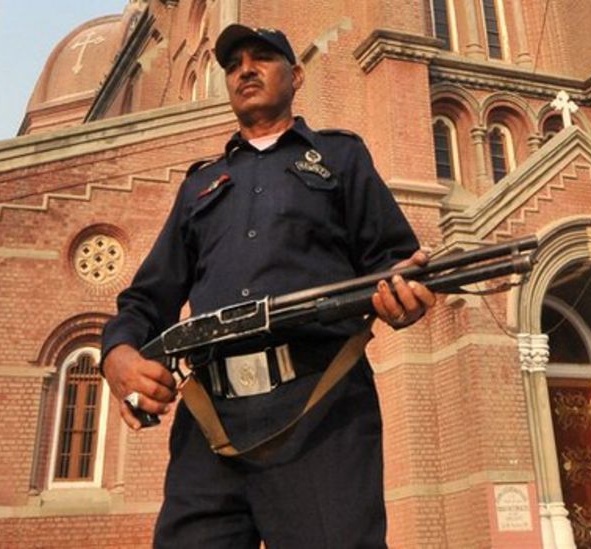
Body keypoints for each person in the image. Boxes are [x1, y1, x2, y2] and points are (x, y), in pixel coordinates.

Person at [100, 24, 436, 548]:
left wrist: (404, 297)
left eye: (262, 59)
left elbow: (392, 259)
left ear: (296, 75)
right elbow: (147, 299)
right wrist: (117, 356)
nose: (245, 70)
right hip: (210, 425)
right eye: (234, 65)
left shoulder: (341, 158)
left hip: (320, 414)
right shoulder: (199, 184)